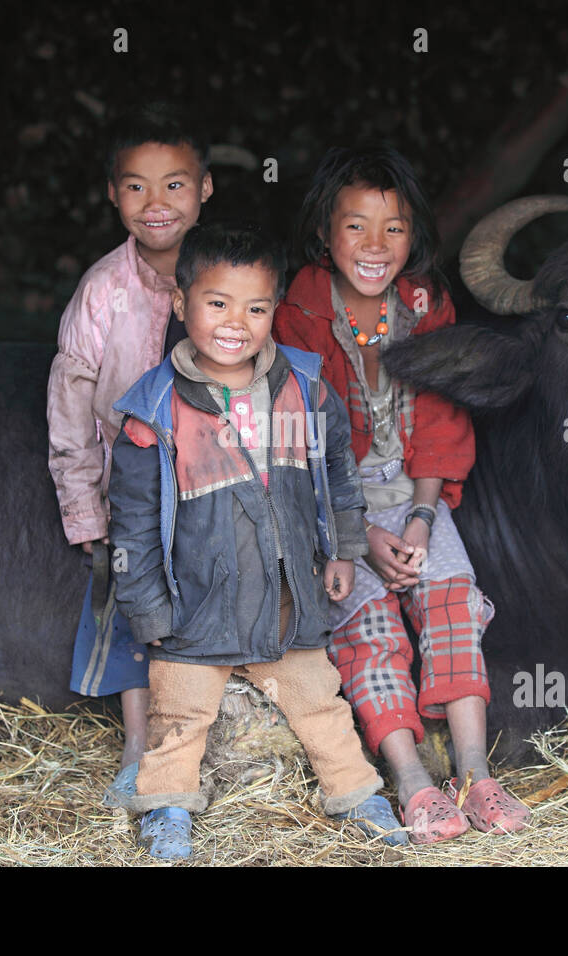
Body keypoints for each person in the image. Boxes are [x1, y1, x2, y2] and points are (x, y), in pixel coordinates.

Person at [109, 222, 406, 859]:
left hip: (288, 594)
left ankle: (360, 795)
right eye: (217, 303)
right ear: (180, 303)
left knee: (321, 703)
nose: (235, 322)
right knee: (179, 718)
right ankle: (166, 808)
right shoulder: (154, 410)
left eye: (256, 307)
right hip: (195, 605)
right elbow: (130, 523)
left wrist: (344, 551)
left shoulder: (303, 385)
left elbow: (338, 472)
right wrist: (149, 609)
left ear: (275, 311)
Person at [272, 143, 531, 843]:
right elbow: (303, 443)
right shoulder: (299, 309)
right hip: (333, 506)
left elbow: (444, 423)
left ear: (414, 234)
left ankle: (475, 774)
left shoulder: (425, 304)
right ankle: (412, 778)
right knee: (371, 630)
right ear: (325, 233)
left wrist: (420, 520)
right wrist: (360, 534)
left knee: (450, 604)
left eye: (394, 227)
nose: (375, 245)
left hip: (416, 495)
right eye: (355, 225)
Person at [46, 102, 212, 807]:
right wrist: (87, 515)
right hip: (131, 492)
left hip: (214, 482)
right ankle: (138, 746)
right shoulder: (101, 293)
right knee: (128, 608)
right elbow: (70, 411)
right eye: (136, 186)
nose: (156, 203)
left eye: (175, 184)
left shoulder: (222, 278)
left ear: (205, 189)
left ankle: (209, 739)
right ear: (113, 194)